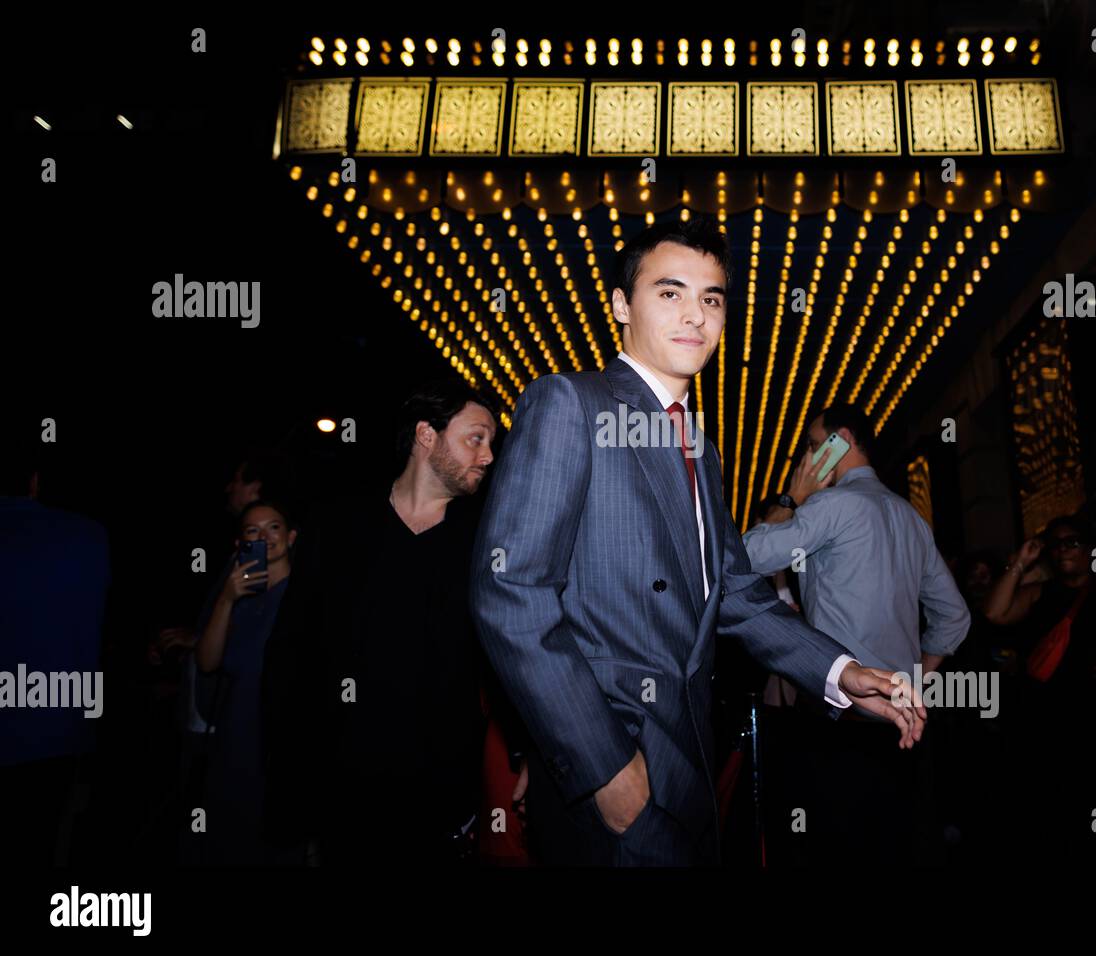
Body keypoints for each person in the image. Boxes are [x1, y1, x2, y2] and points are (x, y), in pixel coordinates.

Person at [469, 217, 926, 867]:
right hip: (611, 770)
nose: (696, 315)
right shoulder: (570, 402)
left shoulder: (699, 447)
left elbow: (735, 591)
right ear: (622, 305)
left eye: (711, 299)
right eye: (670, 292)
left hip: (689, 762)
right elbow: (509, 592)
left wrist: (840, 672)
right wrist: (604, 767)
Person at [261, 379, 499, 867]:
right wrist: (289, 788)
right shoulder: (341, 525)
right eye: (476, 438)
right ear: (426, 436)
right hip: (342, 795)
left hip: (441, 802)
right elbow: (291, 655)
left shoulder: (487, 541)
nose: (489, 454)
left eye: (491, 442)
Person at [741, 404, 970, 863]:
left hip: (838, 724)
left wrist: (792, 498)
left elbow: (748, 557)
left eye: (812, 444)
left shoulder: (832, 504)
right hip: (903, 727)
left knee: (834, 849)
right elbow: (955, 616)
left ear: (841, 438)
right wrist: (915, 680)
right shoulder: (911, 518)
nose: (807, 457)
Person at [983, 513, 1096, 858]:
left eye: (1072, 542)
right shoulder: (1037, 594)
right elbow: (994, 613)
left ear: (1089, 549)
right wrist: (1020, 562)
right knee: (1062, 818)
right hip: (1051, 727)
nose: (1064, 550)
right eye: (1056, 544)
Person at [0, 433, 110, 866]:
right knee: (42, 842)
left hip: (42, 723)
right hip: (59, 724)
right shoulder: (88, 536)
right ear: (34, 482)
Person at [188, 499, 303, 865]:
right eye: (252, 531)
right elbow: (207, 662)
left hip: (280, 749)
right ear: (240, 544)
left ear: (291, 536)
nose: (264, 537)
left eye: (273, 527)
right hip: (232, 742)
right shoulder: (236, 597)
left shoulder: (304, 597)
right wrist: (226, 598)